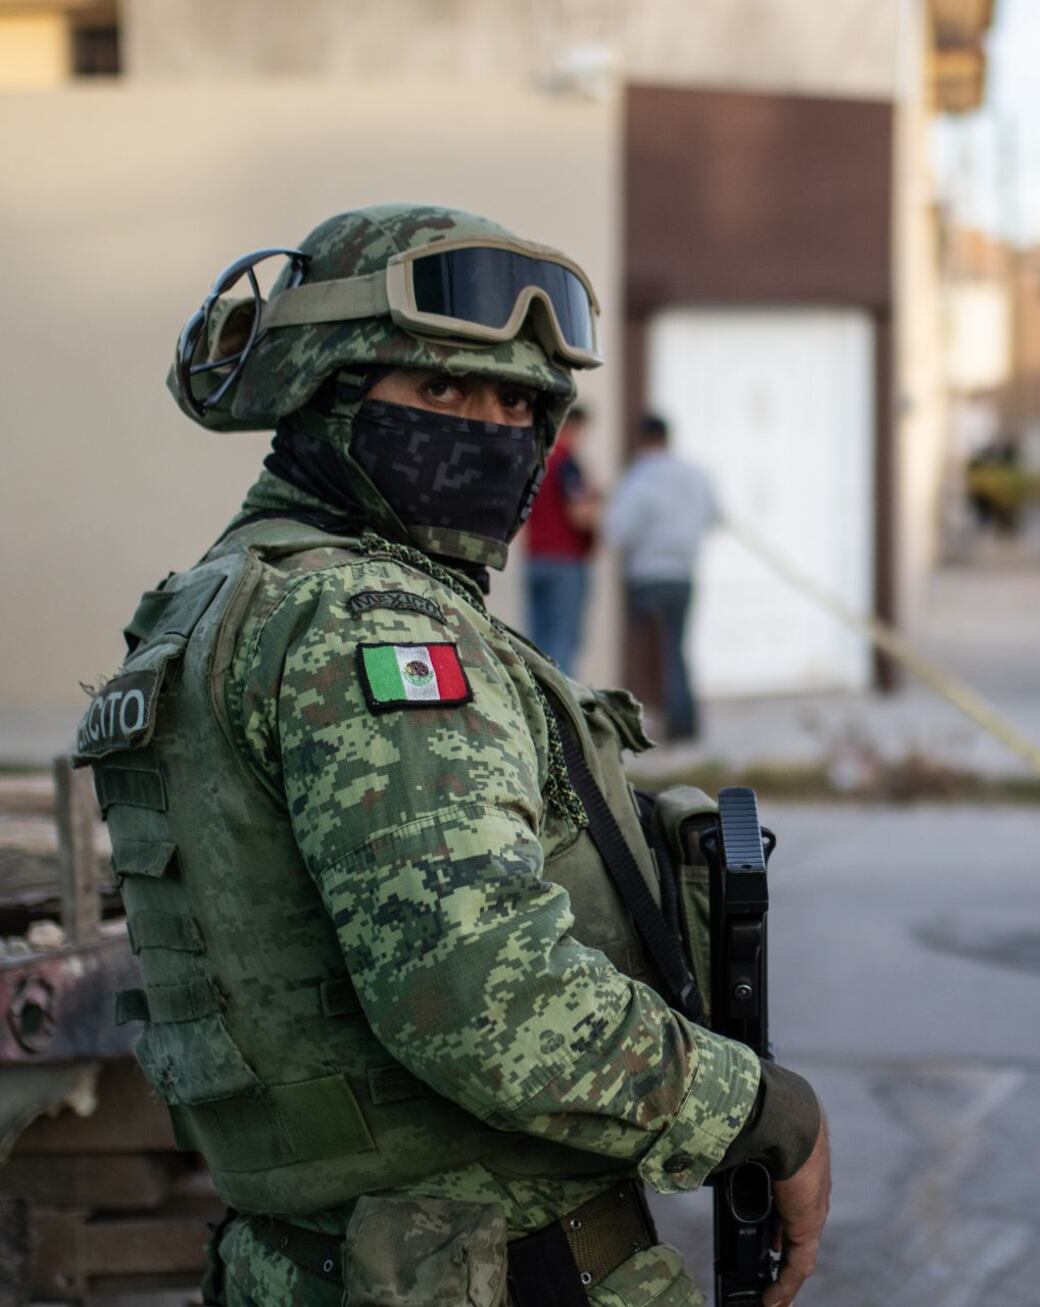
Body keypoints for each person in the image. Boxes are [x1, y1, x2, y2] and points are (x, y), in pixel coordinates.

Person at [86, 204, 828, 1306]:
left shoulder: (222, 600)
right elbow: (483, 998)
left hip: (328, 1257)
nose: (490, 427)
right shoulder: (373, 623)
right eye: (439, 390)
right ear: (325, 393)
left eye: (519, 401)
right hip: (486, 1271)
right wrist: (767, 1113)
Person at [605, 413, 718, 743]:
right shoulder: (696, 475)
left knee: (650, 654)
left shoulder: (641, 478)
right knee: (676, 650)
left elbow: (618, 531)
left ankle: (656, 724)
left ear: (642, 439)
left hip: (648, 576)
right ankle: (685, 723)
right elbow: (713, 516)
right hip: (683, 575)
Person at [522, 404, 601, 673]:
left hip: (535, 559)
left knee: (536, 645)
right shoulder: (567, 463)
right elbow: (579, 515)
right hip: (564, 562)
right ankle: (562, 712)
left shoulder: (538, 460)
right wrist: (596, 502)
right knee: (563, 643)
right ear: (574, 428)